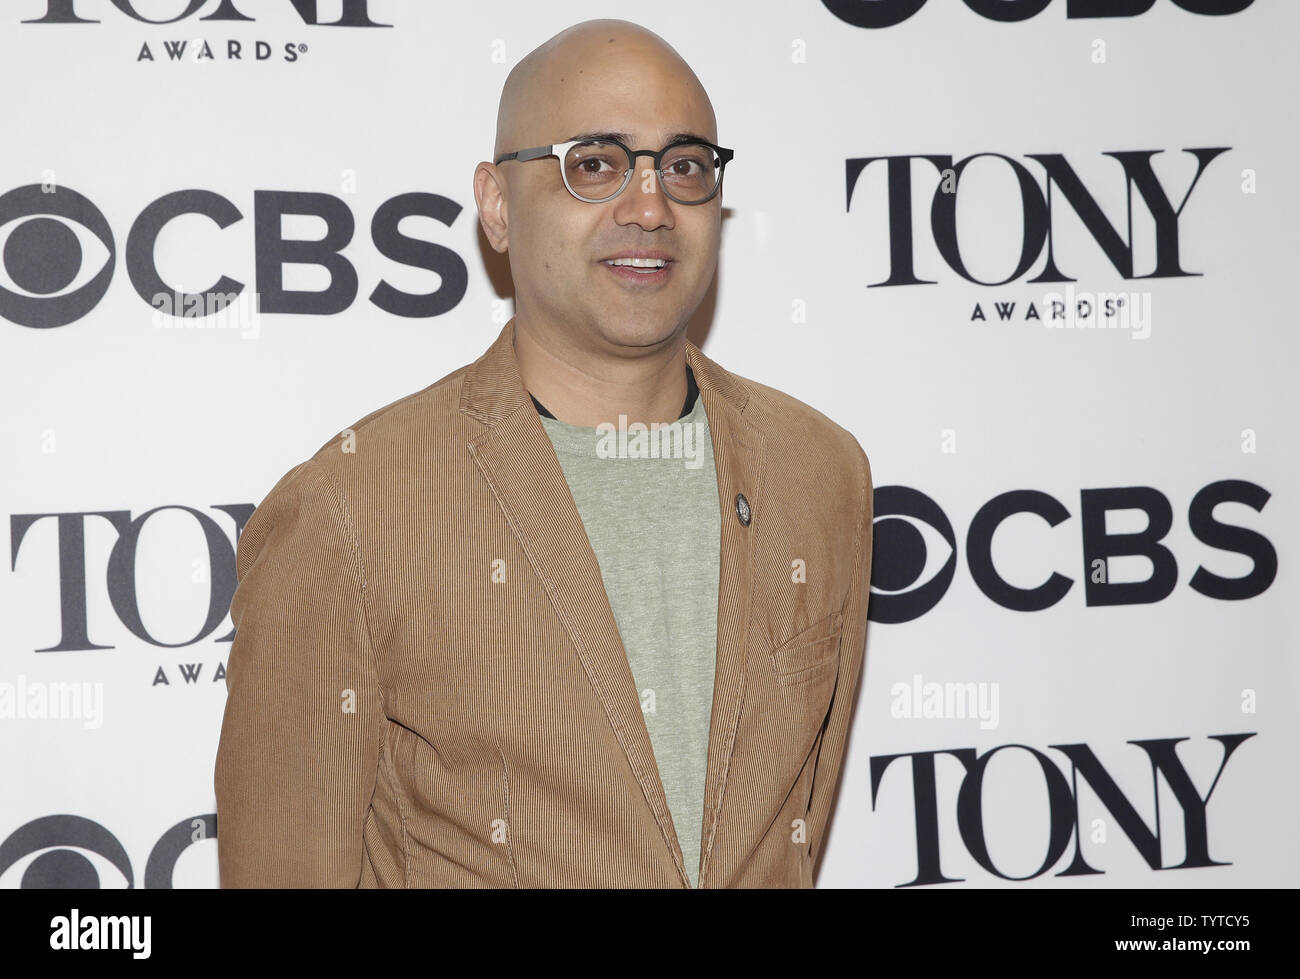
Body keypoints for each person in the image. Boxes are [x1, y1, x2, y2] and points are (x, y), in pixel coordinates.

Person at [214, 18, 873, 888]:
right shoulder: (351, 506)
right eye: (593, 163)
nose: (650, 207)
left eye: (684, 167)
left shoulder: (820, 471)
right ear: (495, 204)